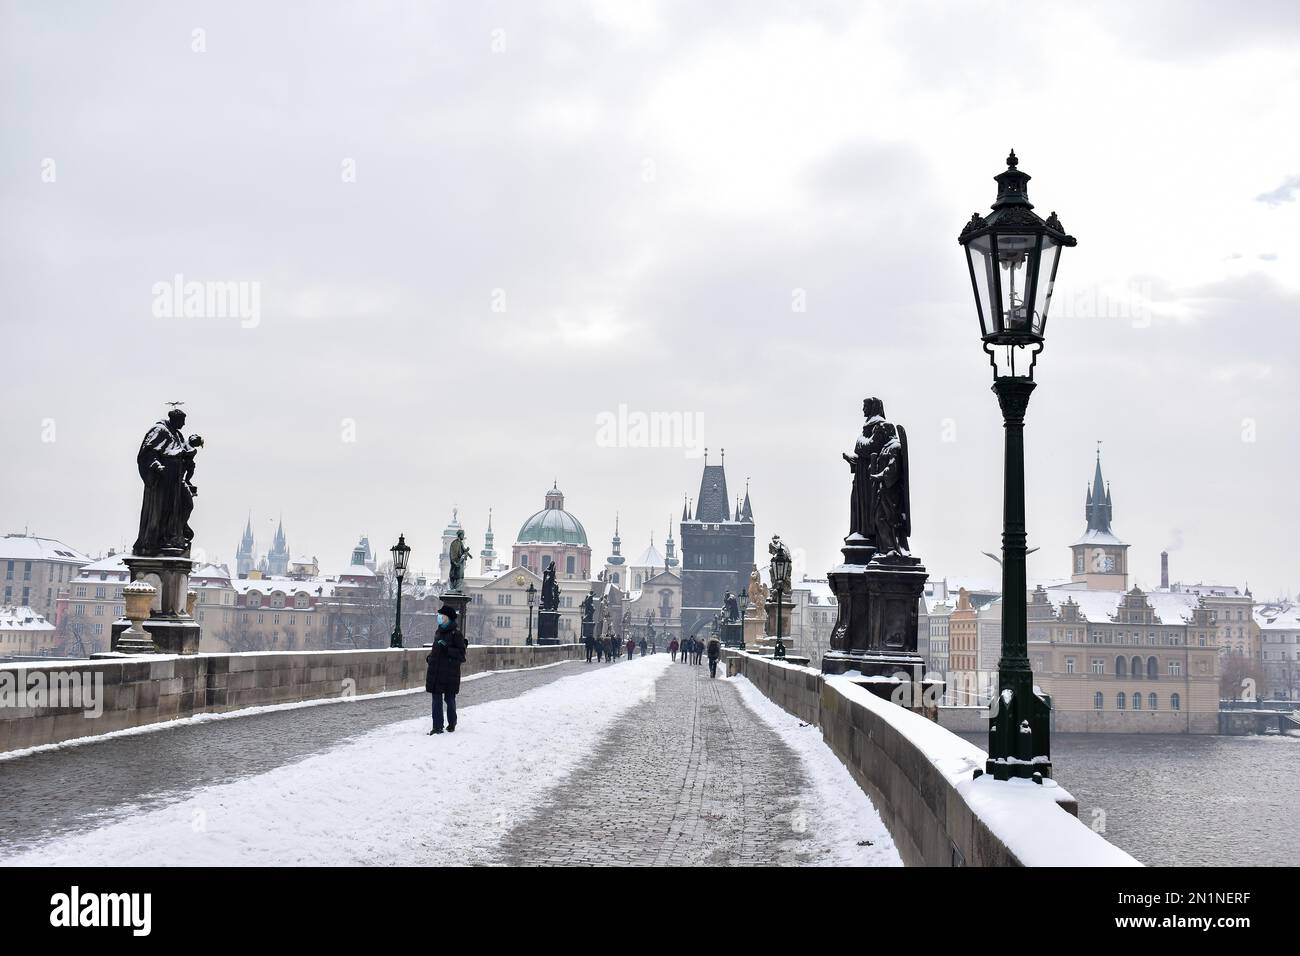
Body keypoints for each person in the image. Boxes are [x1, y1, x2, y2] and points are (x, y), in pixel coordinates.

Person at [426, 604, 468, 735]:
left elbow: (461, 655)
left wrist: (447, 650)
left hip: (450, 673)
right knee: (436, 700)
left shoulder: (456, 634)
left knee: (449, 699)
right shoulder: (438, 632)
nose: (439, 618)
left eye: (442, 616)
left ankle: (452, 723)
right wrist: (430, 657)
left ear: (448, 618)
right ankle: (437, 726)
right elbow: (435, 649)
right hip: (436, 671)